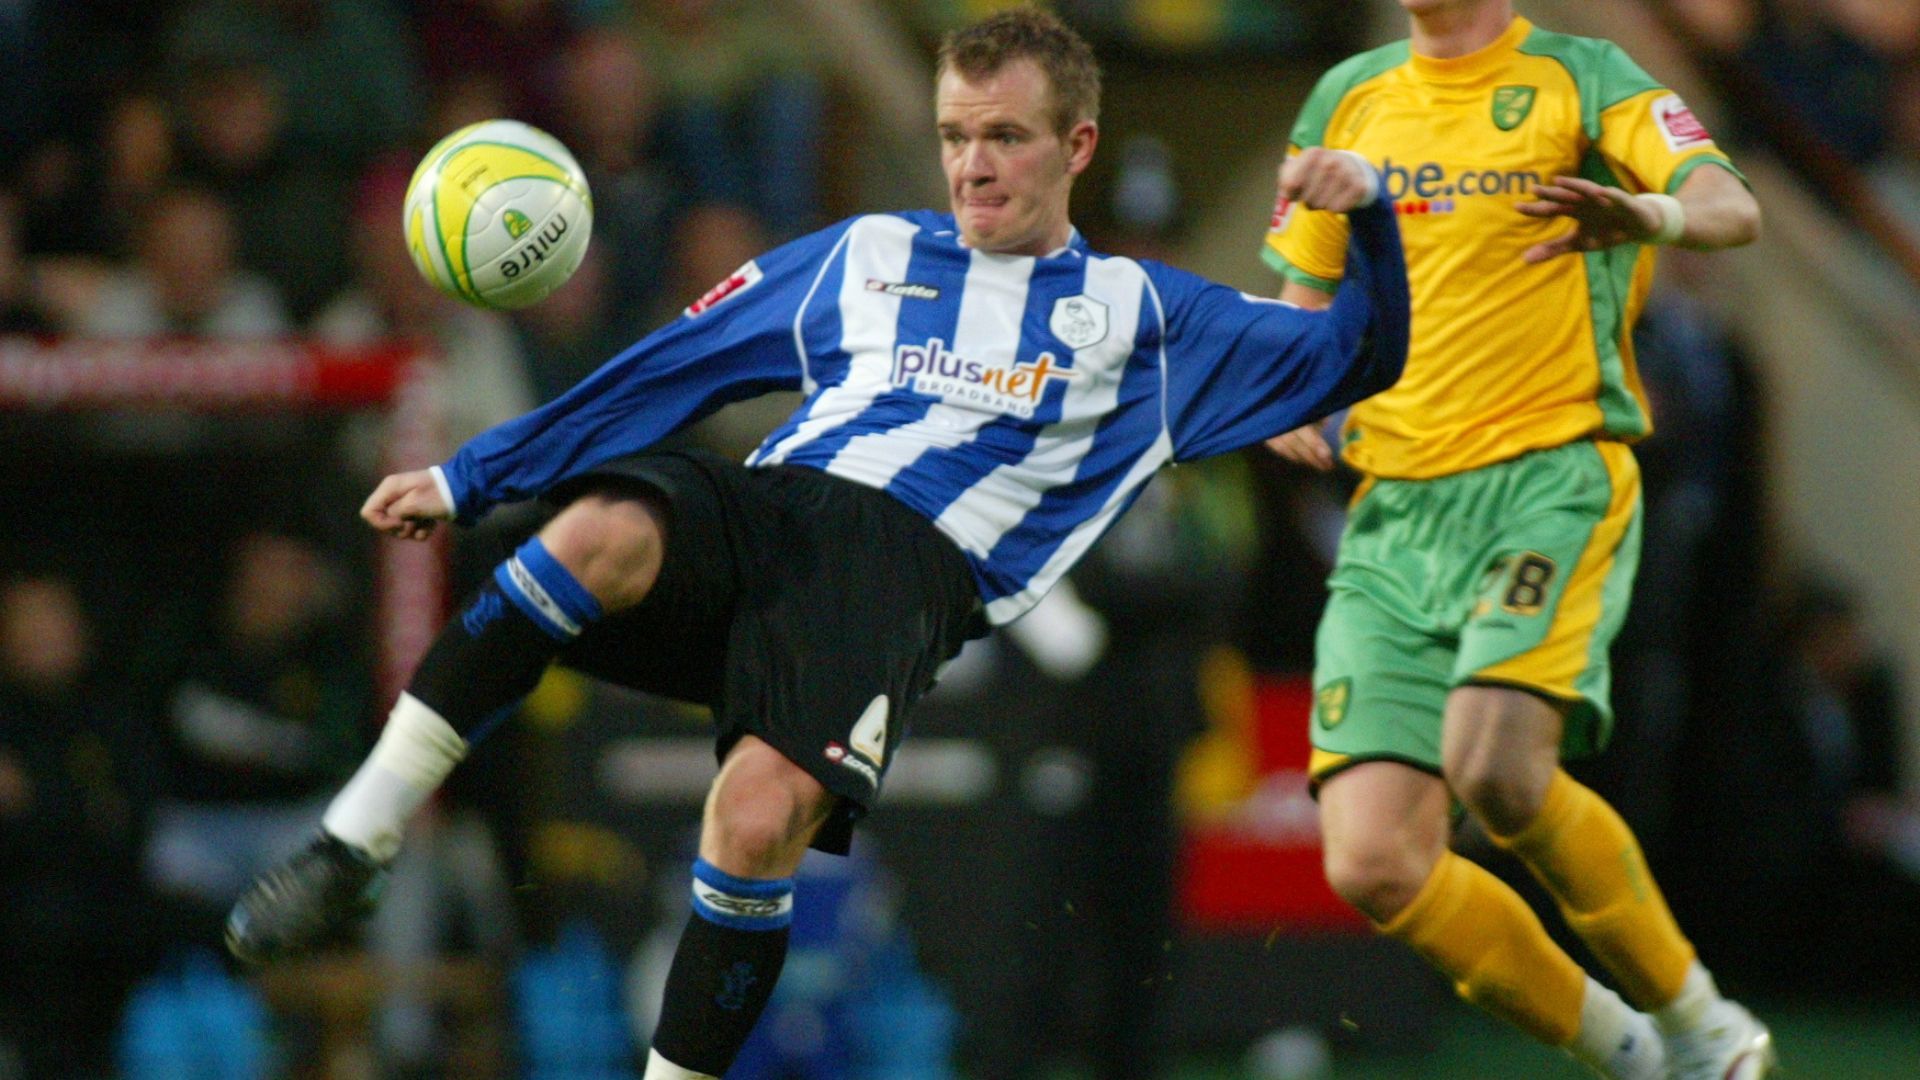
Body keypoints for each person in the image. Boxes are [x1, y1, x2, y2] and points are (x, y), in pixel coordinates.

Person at [224, 9, 1410, 1080]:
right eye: (956, 135)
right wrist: (473, 474)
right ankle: (352, 841)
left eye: (1005, 136)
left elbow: (1355, 355)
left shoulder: (1151, 316)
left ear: (1077, 146)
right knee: (591, 532)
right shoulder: (868, 253)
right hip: (773, 504)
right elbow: (673, 369)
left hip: (904, 571)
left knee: (750, 822)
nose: (973, 164)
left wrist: (1367, 216)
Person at [1258, 2, 1766, 1079]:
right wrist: (1286, 387)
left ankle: (1701, 1020)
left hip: (1546, 482)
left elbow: (1732, 205)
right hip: (1395, 514)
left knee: (1494, 767)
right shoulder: (1347, 95)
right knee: (1373, 862)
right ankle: (1634, 1054)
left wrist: (1648, 214)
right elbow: (1301, 299)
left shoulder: (1585, 77)